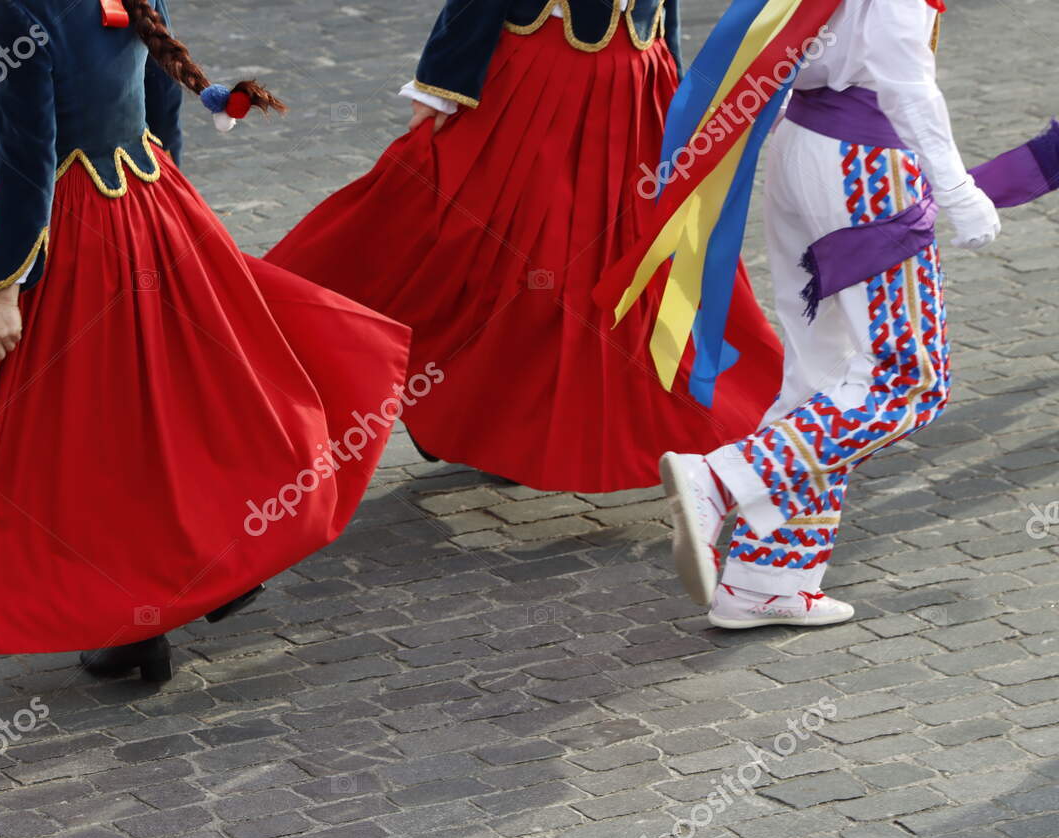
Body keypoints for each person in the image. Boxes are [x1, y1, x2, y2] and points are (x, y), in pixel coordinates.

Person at [0, 0, 412, 683]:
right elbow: (161, 101)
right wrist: (168, 198)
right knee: (179, 397)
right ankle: (213, 565)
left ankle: (135, 616)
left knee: (89, 431)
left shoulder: (19, 9)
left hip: (77, 232)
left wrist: (3, 288)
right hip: (149, 198)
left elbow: (27, 162)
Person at [265, 0, 785, 492]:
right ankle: (436, 383)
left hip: (637, 84)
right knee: (485, 239)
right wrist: (442, 85)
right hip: (540, 76)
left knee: (604, 269)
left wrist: (676, 88)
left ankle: (499, 422)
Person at [651, 0, 1006, 629]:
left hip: (808, 142)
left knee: (820, 379)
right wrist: (957, 189)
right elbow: (902, 78)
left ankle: (765, 580)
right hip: (864, 162)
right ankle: (722, 478)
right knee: (908, 380)